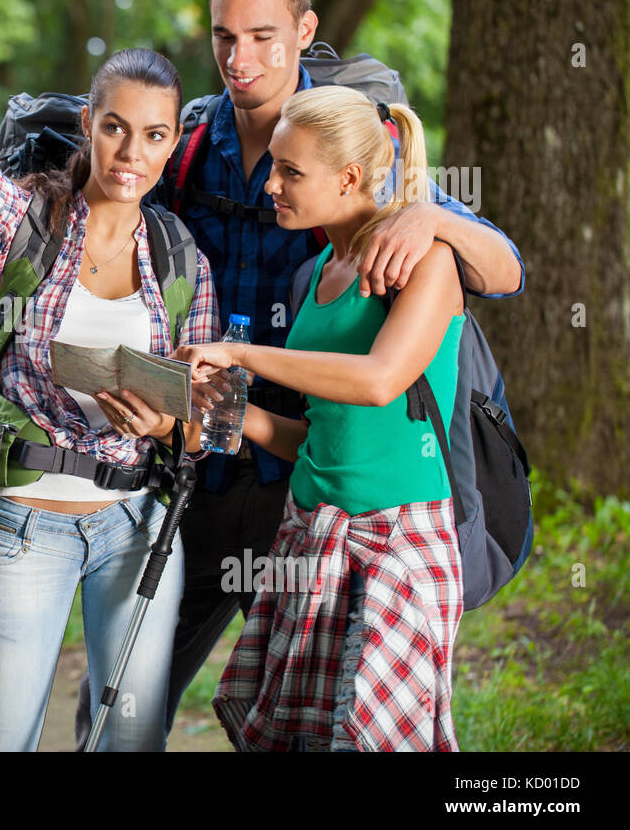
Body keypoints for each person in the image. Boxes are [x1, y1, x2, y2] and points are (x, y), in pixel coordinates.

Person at [73, 0, 526, 746]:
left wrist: (431, 215)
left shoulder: (354, 140)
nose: (239, 60)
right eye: (223, 37)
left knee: (327, 722)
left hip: (315, 490)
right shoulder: (183, 146)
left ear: (305, 32)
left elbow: (504, 270)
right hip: (201, 460)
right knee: (122, 703)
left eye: (262, 38)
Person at [0, 48, 220, 751]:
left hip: (138, 527)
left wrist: (167, 422)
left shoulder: (182, 256)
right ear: (90, 124)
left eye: (155, 135)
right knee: (0, 741)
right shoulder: (33, 220)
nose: (132, 153)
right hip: (27, 524)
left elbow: (205, 422)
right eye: (117, 128)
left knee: (130, 742)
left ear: (172, 143)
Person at [177, 84, 467, 750]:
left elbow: (378, 383)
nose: (270, 185)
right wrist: (233, 409)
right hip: (311, 530)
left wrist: (243, 351)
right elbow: (326, 430)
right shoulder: (316, 272)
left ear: (350, 176)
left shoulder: (429, 262)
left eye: (290, 172)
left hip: (394, 541)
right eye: (274, 165)